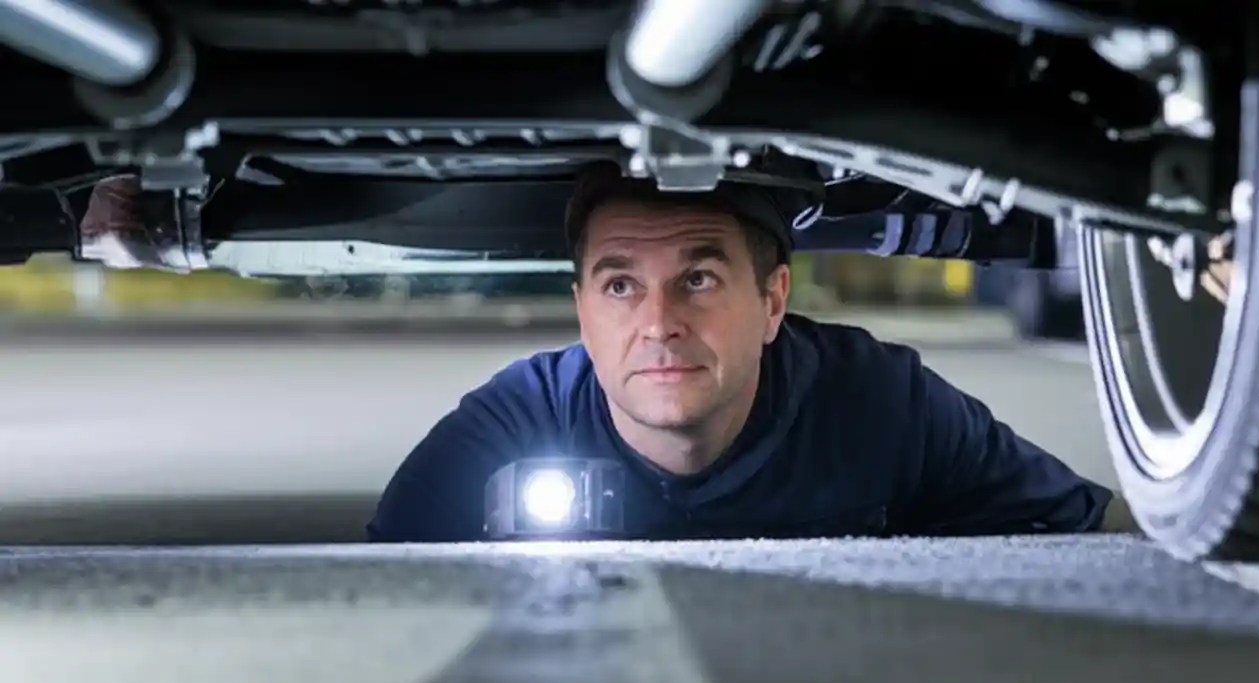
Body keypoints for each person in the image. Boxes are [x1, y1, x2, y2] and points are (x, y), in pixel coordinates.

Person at [367, 162, 1133, 542]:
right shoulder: (515, 426)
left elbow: (1091, 534)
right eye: (621, 287)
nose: (660, 322)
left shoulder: (877, 400)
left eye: (697, 278)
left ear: (773, 301)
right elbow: (370, 595)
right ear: (581, 312)